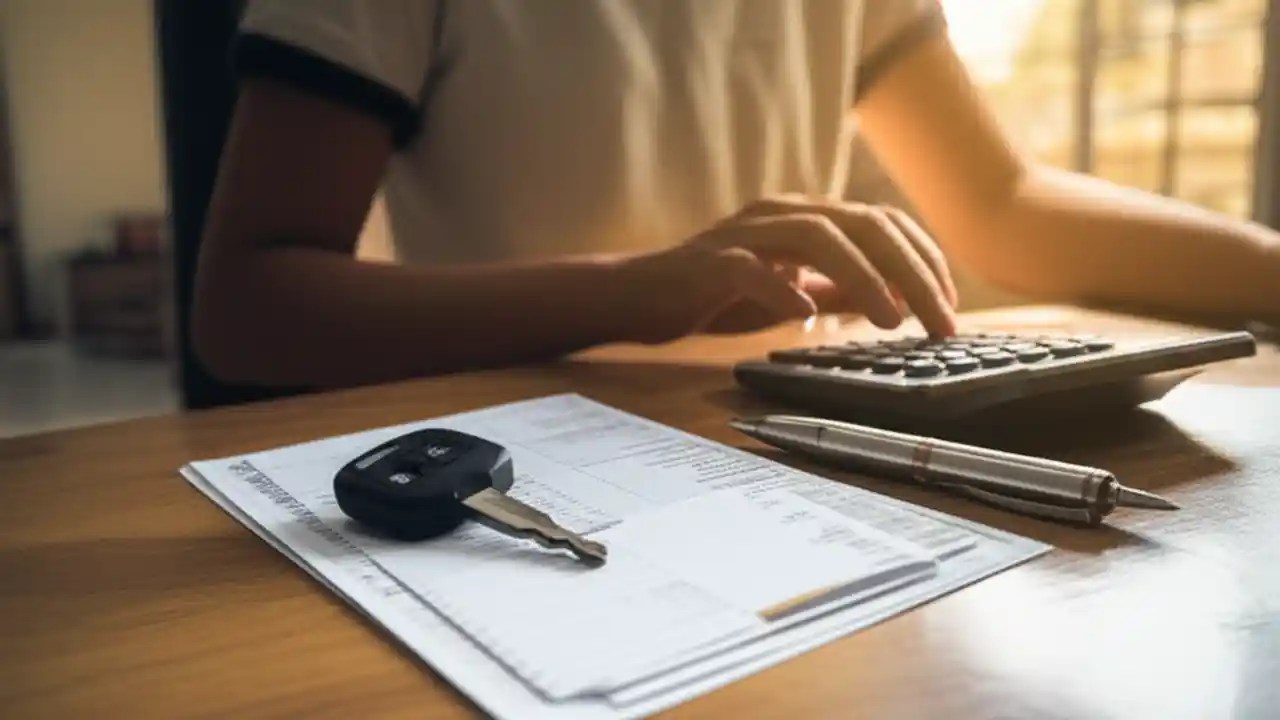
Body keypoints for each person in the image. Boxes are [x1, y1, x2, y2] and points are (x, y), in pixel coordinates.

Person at [195, 0, 1280, 389]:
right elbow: (246, 306)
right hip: (513, 462)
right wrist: (629, 290)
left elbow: (999, 203)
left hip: (773, 447)